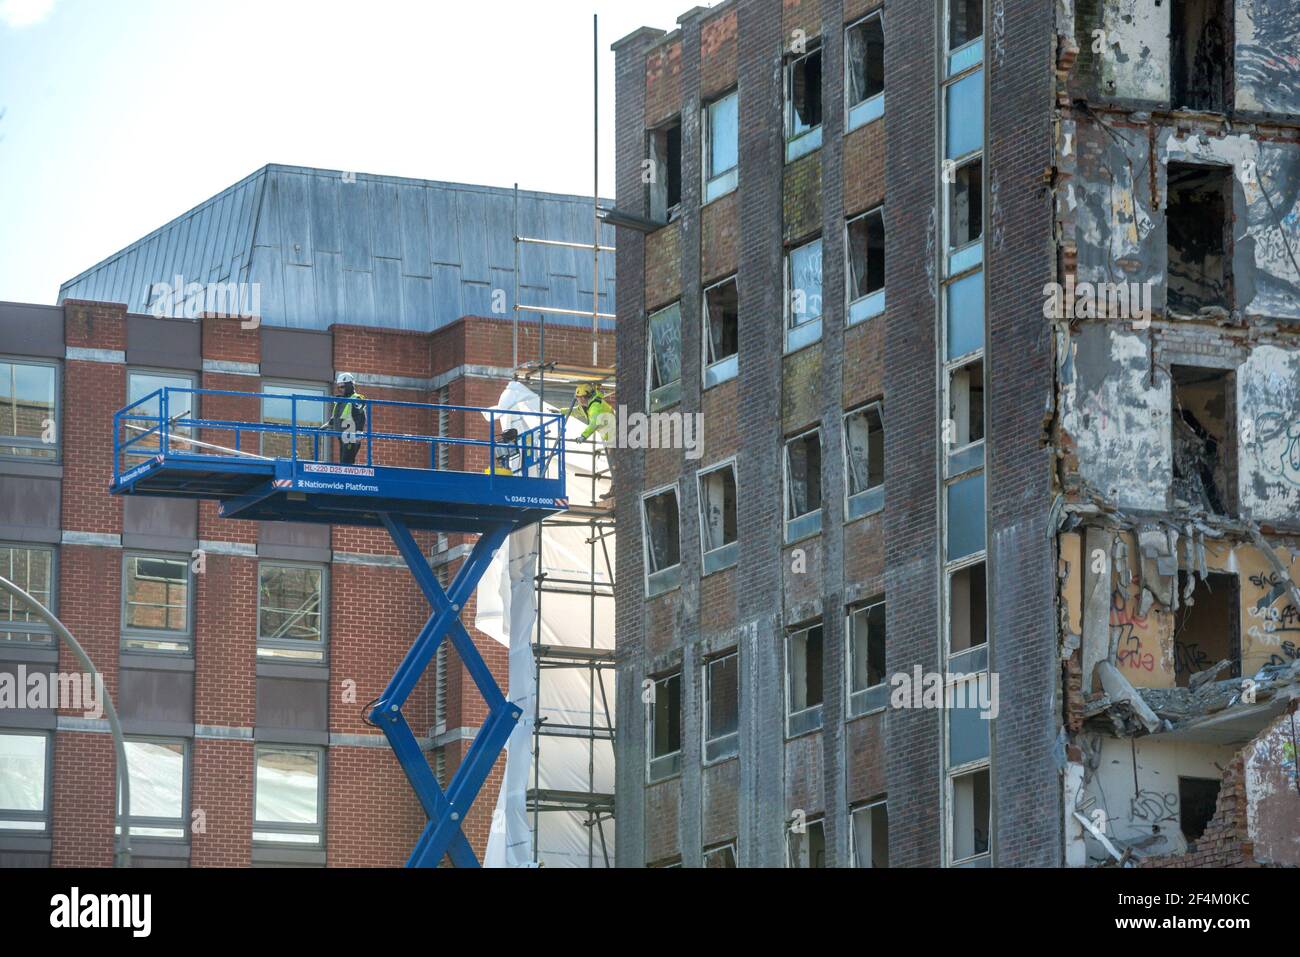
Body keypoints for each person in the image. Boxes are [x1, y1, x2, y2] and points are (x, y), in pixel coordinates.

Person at [328, 372, 367, 465]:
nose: (340, 389)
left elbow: (361, 416)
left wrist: (358, 432)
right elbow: (335, 418)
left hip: (350, 437)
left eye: (342, 387)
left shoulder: (356, 399)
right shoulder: (340, 401)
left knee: (346, 463)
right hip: (342, 436)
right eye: (338, 387)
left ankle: (346, 480)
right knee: (343, 462)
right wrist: (326, 426)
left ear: (350, 385)